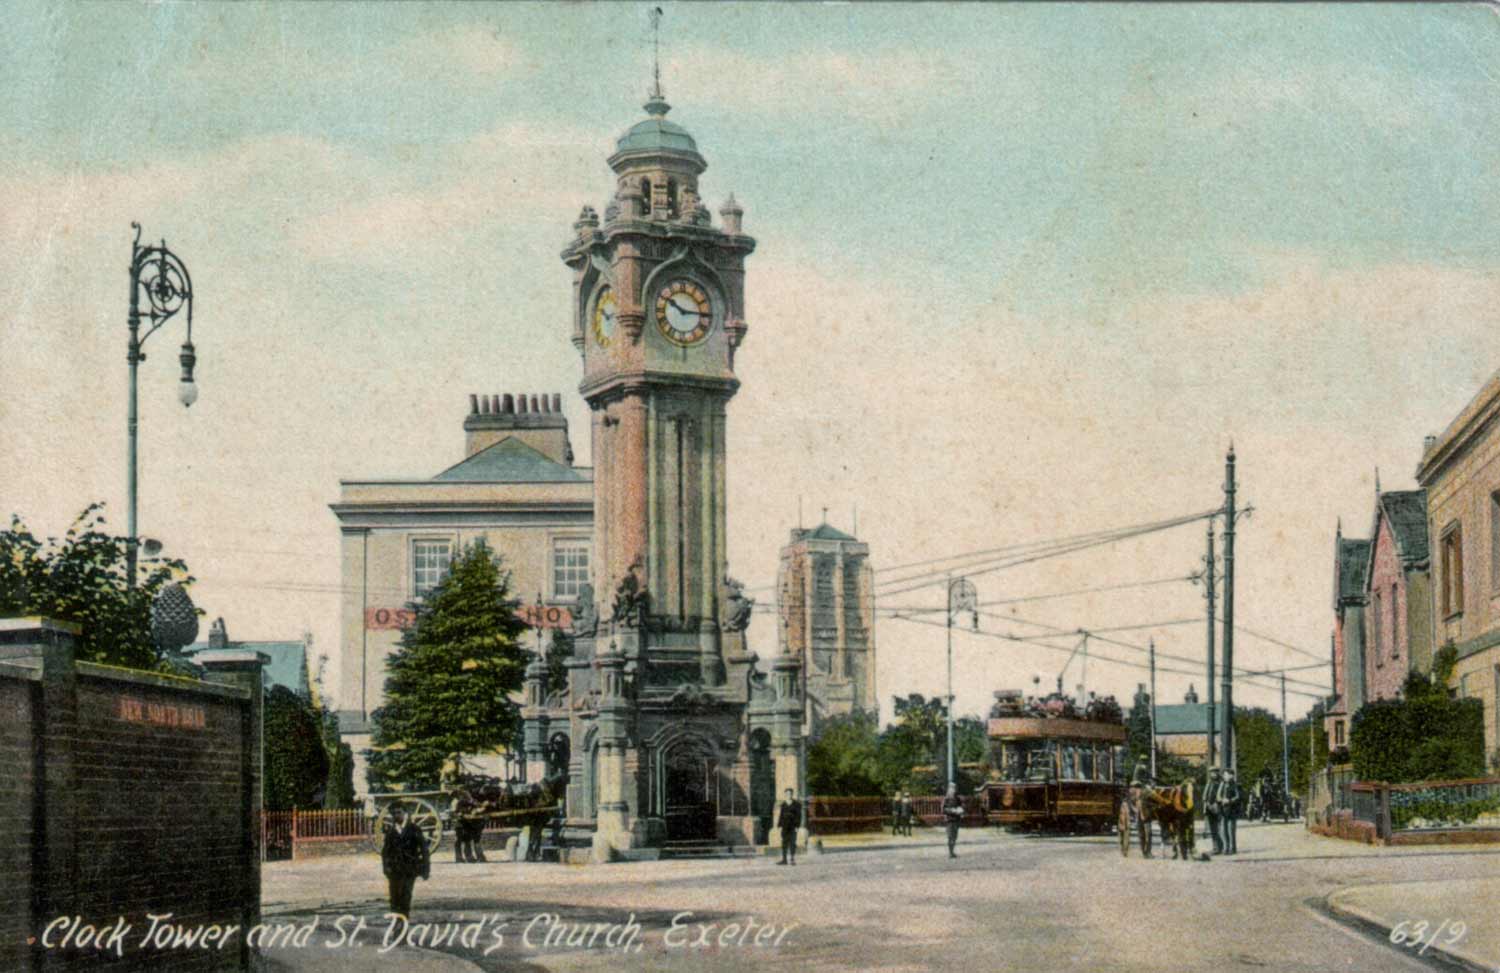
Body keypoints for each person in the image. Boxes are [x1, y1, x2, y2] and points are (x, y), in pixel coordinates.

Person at [381, 807, 430, 917]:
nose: (396, 815)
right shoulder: (390, 831)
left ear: (405, 813)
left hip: (410, 868)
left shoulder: (414, 829)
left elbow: (424, 849)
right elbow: (385, 852)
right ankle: (396, 920)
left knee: (406, 895)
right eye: (394, 813)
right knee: (394, 896)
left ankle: (403, 921)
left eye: (399, 812)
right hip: (394, 869)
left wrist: (426, 869)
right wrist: (385, 868)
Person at [775, 789, 802, 865]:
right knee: (784, 842)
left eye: (790, 794)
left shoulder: (797, 804)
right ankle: (784, 860)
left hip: (793, 826)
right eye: (787, 794)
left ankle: (792, 859)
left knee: (792, 842)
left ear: (792, 794)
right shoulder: (783, 804)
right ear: (785, 795)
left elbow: (798, 816)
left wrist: (797, 826)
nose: (788, 795)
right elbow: (781, 815)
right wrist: (779, 825)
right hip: (785, 826)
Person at [1221, 770, 1243, 855]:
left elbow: (1238, 797)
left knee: (1231, 830)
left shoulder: (1236, 785)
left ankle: (1232, 848)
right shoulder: (1222, 784)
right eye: (1224, 775)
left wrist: (1229, 800)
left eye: (1226, 775)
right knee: (1224, 830)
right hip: (1223, 810)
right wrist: (1221, 799)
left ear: (1231, 776)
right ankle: (1225, 848)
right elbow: (1218, 795)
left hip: (1232, 810)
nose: (1224, 776)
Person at [1203, 768, 1224, 855]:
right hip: (1209, 807)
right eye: (1211, 773)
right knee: (1212, 829)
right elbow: (1205, 795)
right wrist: (1206, 804)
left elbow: (1221, 795)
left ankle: (1219, 847)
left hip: (1217, 808)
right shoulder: (1209, 782)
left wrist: (1216, 803)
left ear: (1217, 773)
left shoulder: (1221, 783)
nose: (1213, 774)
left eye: (1214, 772)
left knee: (1217, 829)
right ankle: (1216, 847)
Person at [942, 783, 964, 859]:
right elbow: (943, 809)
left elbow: (960, 806)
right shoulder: (946, 798)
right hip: (949, 820)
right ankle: (950, 852)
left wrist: (961, 811)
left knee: (955, 837)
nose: (954, 789)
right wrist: (952, 810)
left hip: (956, 820)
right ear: (949, 789)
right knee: (950, 836)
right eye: (952, 788)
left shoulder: (958, 798)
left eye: (955, 788)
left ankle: (952, 852)